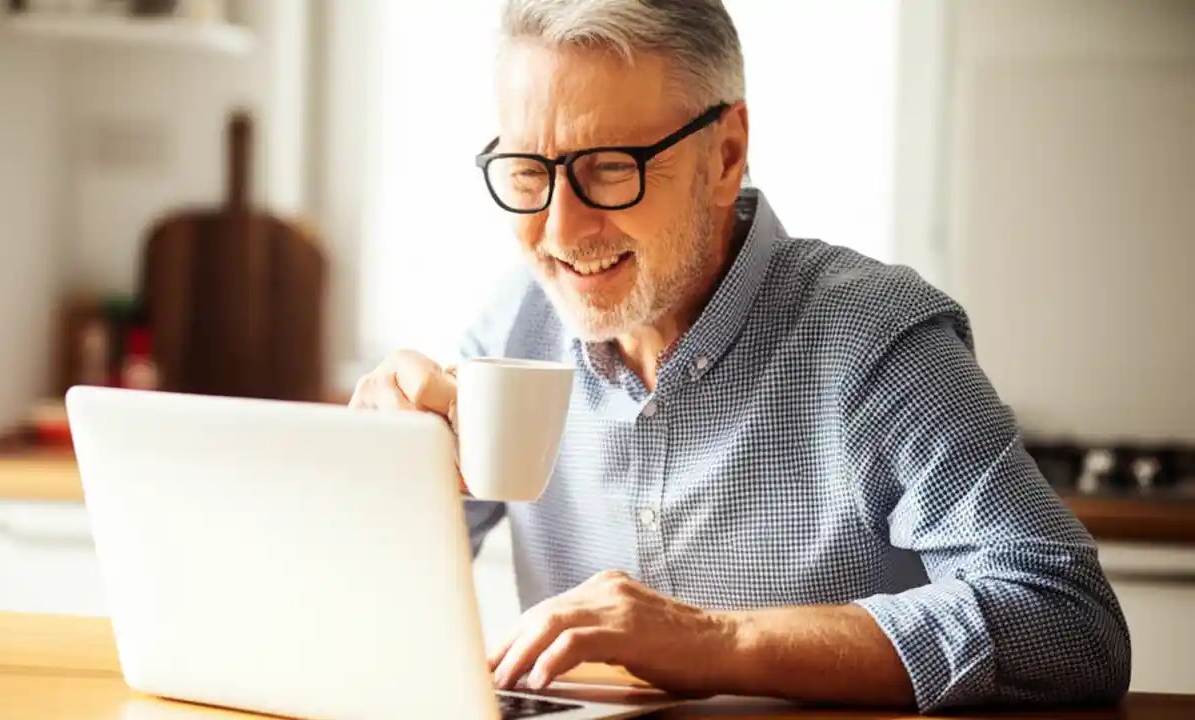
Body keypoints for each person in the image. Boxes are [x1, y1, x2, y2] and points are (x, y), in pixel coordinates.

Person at [349, 0, 1130, 712]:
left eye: (610, 170)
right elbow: (361, 592)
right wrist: (381, 472)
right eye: (528, 171)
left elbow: (1070, 618)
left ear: (725, 155)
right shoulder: (516, 320)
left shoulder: (878, 341)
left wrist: (714, 642)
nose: (559, 232)